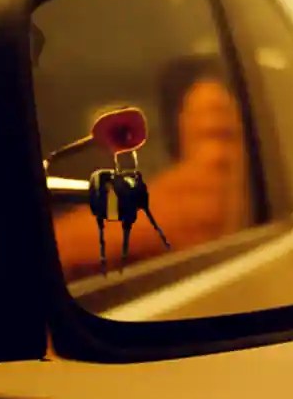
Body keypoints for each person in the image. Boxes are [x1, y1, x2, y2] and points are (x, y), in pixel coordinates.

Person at [53, 58, 251, 280]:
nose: (218, 157)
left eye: (225, 135)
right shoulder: (167, 208)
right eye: (208, 136)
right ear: (174, 141)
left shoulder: (180, 208)